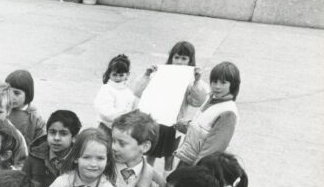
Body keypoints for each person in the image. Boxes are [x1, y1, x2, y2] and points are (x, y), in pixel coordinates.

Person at [132, 41, 209, 170]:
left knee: (170, 155)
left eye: (184, 58)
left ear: (190, 61)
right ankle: (146, 179)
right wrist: (147, 75)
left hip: (174, 123)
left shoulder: (190, 80)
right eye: (176, 57)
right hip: (156, 120)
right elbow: (138, 92)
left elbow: (197, 101)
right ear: (171, 58)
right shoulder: (160, 74)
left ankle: (166, 181)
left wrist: (197, 81)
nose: (179, 62)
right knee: (151, 153)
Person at [174, 61, 241, 167]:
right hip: (188, 158)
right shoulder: (212, 99)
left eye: (223, 83)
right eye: (214, 82)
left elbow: (213, 148)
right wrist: (186, 125)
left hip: (198, 166)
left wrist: (196, 170)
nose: (217, 86)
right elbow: (204, 130)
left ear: (233, 85)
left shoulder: (228, 113)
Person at [111, 110, 165, 187]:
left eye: (121, 143)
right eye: (113, 141)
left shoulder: (156, 183)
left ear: (145, 147)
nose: (114, 147)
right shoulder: (103, 169)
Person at [94, 54, 136, 137]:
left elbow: (131, 108)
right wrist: (125, 116)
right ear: (109, 74)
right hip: (106, 129)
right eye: (114, 75)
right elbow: (106, 113)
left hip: (122, 130)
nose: (117, 78)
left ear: (127, 75)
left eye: (121, 75)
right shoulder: (106, 89)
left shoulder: (128, 92)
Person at [5, 69, 46, 147]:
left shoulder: (35, 119)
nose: (10, 96)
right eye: (7, 91)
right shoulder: (0, 111)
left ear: (28, 94)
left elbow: (42, 141)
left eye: (16, 93)